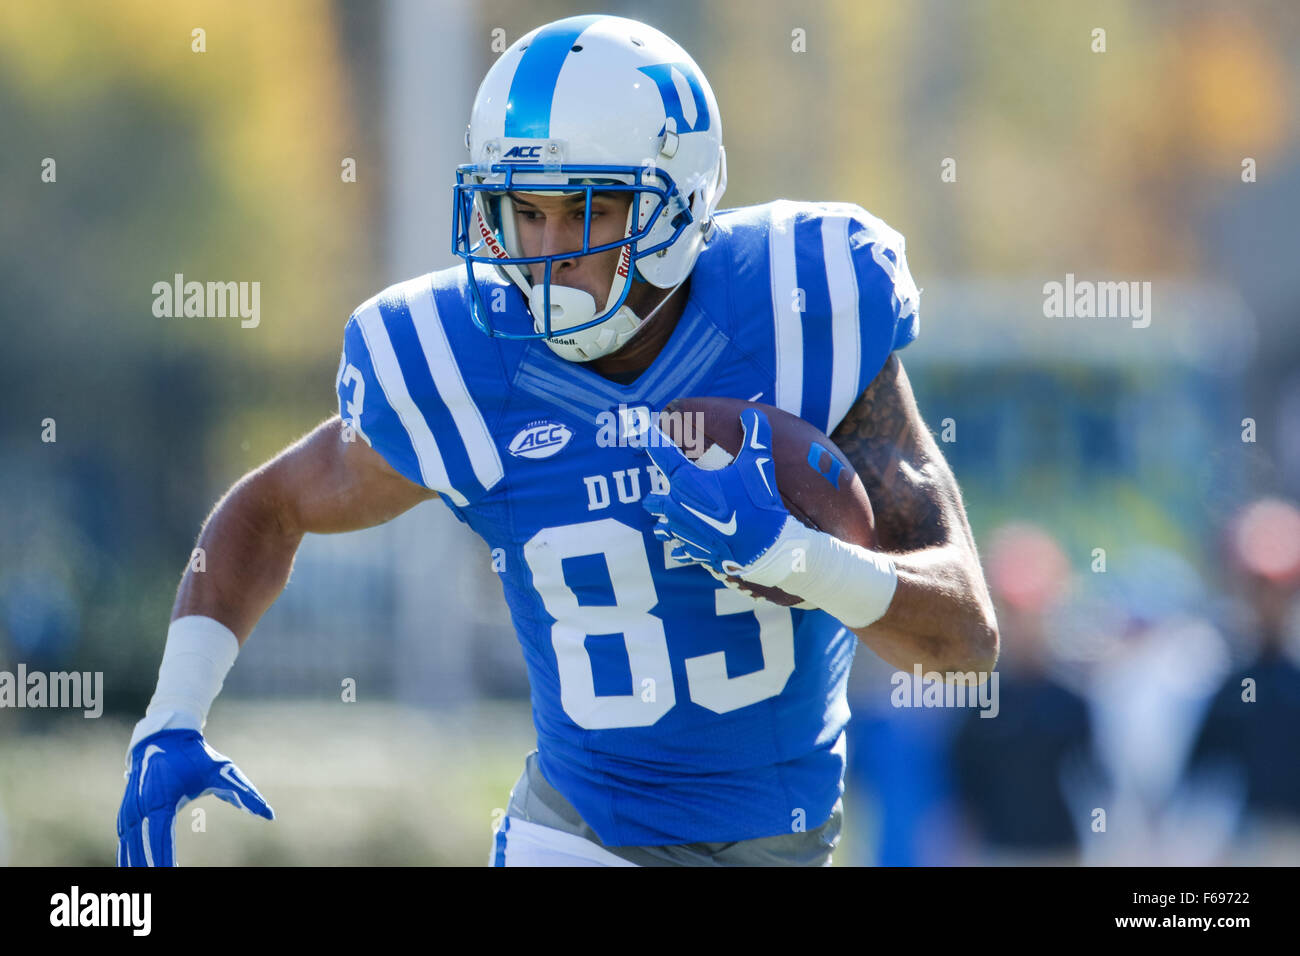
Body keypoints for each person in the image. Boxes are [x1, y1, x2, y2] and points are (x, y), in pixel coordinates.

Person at [117, 14, 997, 867]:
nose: (546, 250)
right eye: (521, 211)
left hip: (788, 842)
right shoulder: (460, 363)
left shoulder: (803, 305)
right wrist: (172, 714)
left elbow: (966, 640)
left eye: (585, 213)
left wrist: (795, 557)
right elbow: (270, 508)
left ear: (680, 201)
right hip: (579, 836)